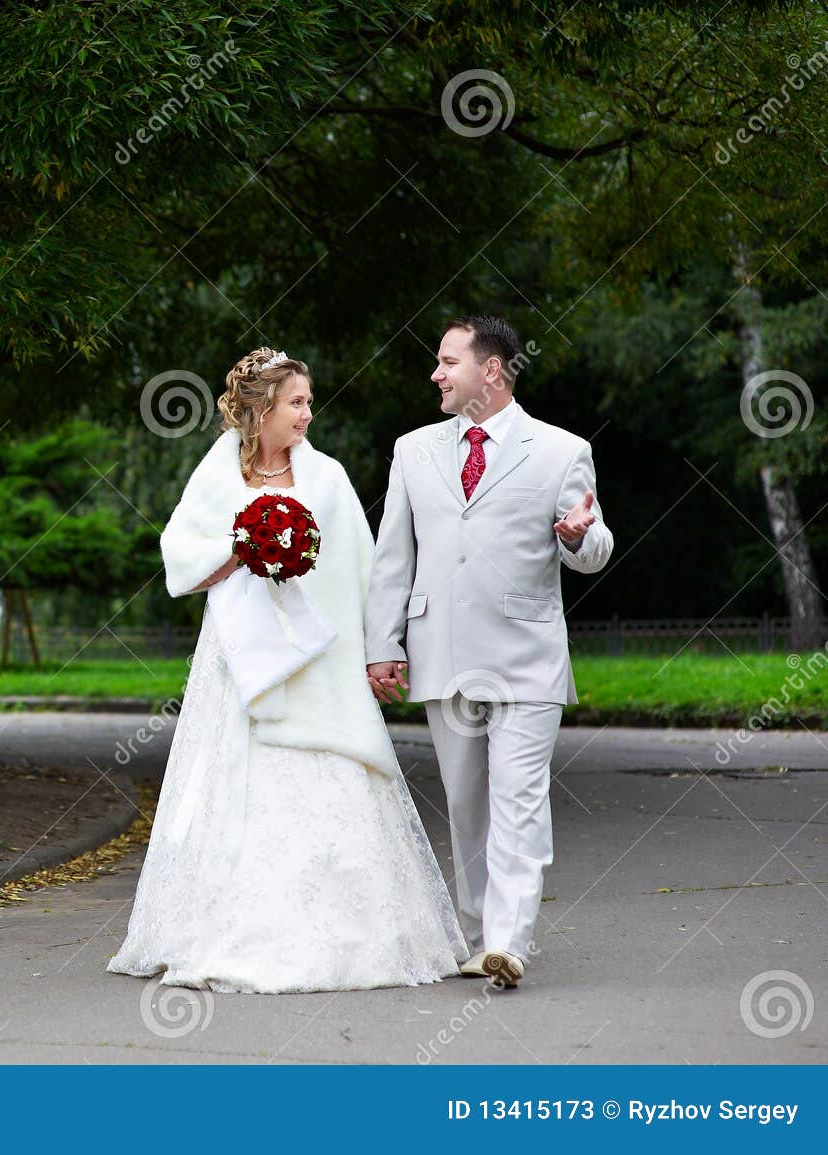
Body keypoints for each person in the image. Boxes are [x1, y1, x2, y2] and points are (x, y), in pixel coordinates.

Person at [106, 347, 468, 994]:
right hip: (238, 658)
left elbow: (362, 569)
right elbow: (181, 554)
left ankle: (345, 931)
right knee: (232, 784)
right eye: (296, 401)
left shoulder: (326, 477)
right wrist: (244, 545)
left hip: (316, 658)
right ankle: (224, 929)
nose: (307, 412)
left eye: (307, 401)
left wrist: (377, 649)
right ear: (262, 409)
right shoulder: (217, 474)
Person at [364, 315, 613, 989]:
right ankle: (476, 938)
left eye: (448, 361)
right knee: (467, 800)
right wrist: (382, 643)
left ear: (491, 370)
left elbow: (595, 548)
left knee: (520, 800)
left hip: (527, 655)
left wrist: (574, 536)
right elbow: (393, 556)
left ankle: (509, 941)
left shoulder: (561, 451)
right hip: (443, 649)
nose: (437, 373)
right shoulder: (413, 450)